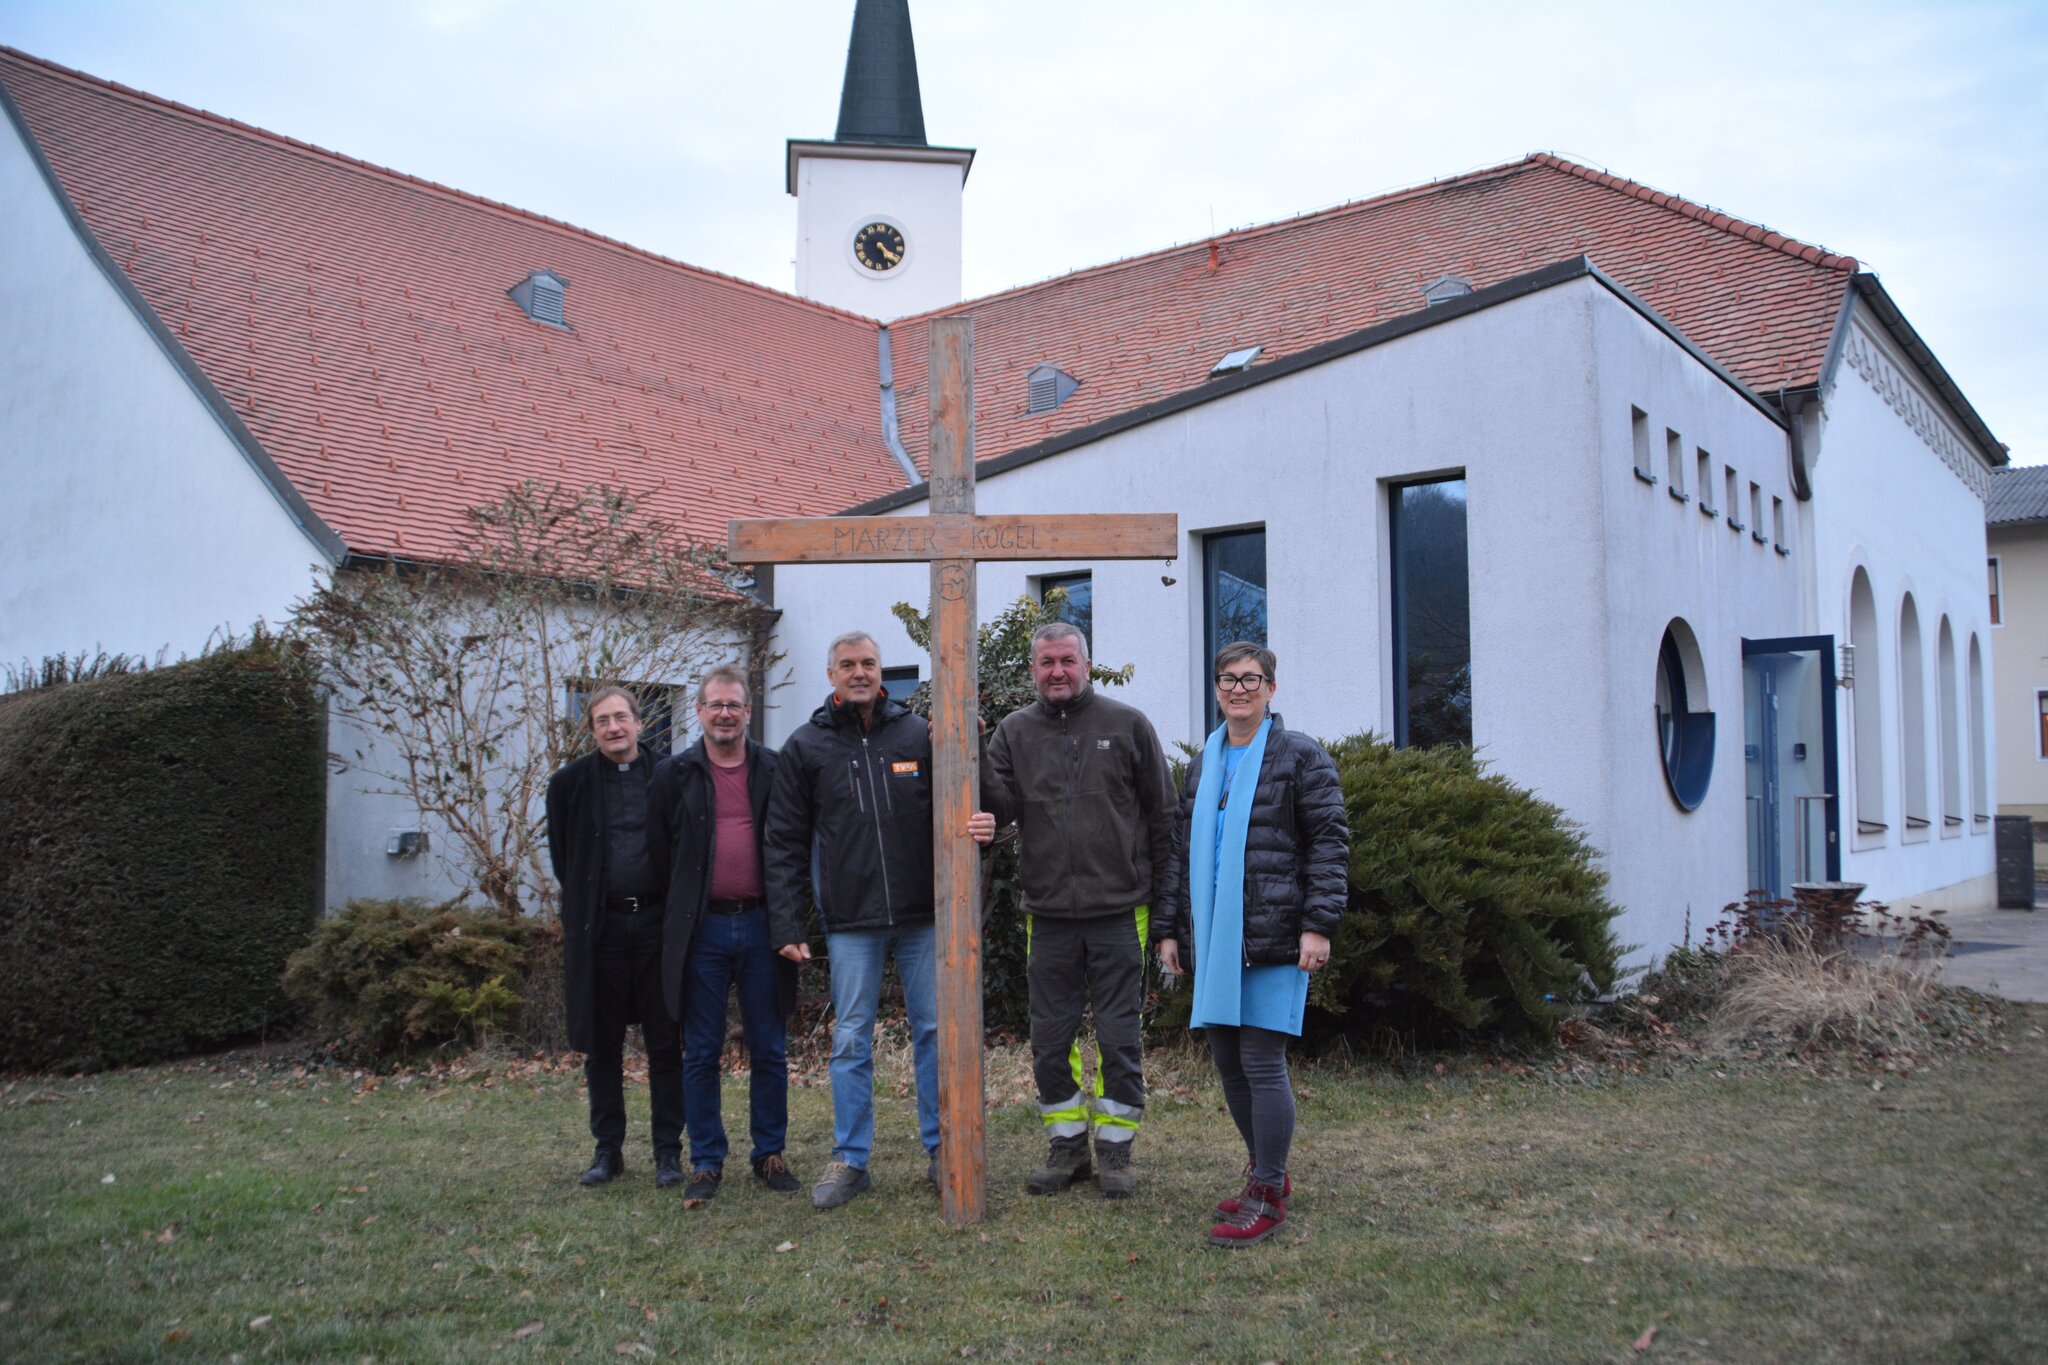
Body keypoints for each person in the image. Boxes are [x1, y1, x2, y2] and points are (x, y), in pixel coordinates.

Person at [967, 621, 1174, 1199]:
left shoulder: (1128, 725)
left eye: (1067, 660)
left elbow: (1164, 820)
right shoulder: (1013, 732)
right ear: (1033, 671)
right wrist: (975, 749)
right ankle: (1066, 1149)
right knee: (1050, 1039)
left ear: (1086, 663)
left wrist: (1165, 917)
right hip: (1048, 913)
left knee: (1118, 1037)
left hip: (1119, 911)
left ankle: (1115, 1153)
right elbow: (1000, 807)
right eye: (1046, 663)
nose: (1057, 671)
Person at [1155, 642, 1348, 1247]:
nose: (1238, 689)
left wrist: (1319, 924)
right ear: (1216, 688)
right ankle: (1267, 1172)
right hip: (1212, 940)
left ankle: (1267, 1192)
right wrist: (1168, 930)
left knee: (1261, 1064)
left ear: (1270, 689)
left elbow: (1329, 845)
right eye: (1228, 679)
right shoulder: (1203, 762)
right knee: (1228, 1064)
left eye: (1251, 679)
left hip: (1274, 937)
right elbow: (1180, 855)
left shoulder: (1301, 758)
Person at [764, 631, 942, 1210]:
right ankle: (851, 1158)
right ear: (831, 674)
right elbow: (784, 841)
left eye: (868, 663)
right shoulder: (806, 747)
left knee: (935, 1036)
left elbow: (966, 809)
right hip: (850, 922)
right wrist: (789, 923)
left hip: (922, 917)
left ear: (881, 670)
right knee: (849, 1040)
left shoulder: (918, 734)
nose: (859, 673)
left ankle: (944, 1152)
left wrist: (964, 744)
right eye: (847, 665)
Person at [649, 665, 799, 1204]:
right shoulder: (674, 774)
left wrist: (791, 922)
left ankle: (769, 1153)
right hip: (701, 930)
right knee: (701, 1051)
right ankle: (707, 1161)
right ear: (699, 711)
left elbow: (793, 849)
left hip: (762, 925)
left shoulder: (775, 769)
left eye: (734, 705)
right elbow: (658, 856)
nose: (725, 713)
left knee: (770, 1047)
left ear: (748, 711)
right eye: (715, 705)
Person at [545, 685, 686, 1189]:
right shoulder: (569, 785)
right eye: (601, 720)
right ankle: (608, 1149)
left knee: (665, 1042)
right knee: (601, 1047)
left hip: (656, 928)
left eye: (621, 717)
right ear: (592, 730)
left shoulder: (672, 775)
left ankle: (669, 1151)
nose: (613, 727)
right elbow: (568, 860)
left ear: (640, 722)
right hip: (600, 930)